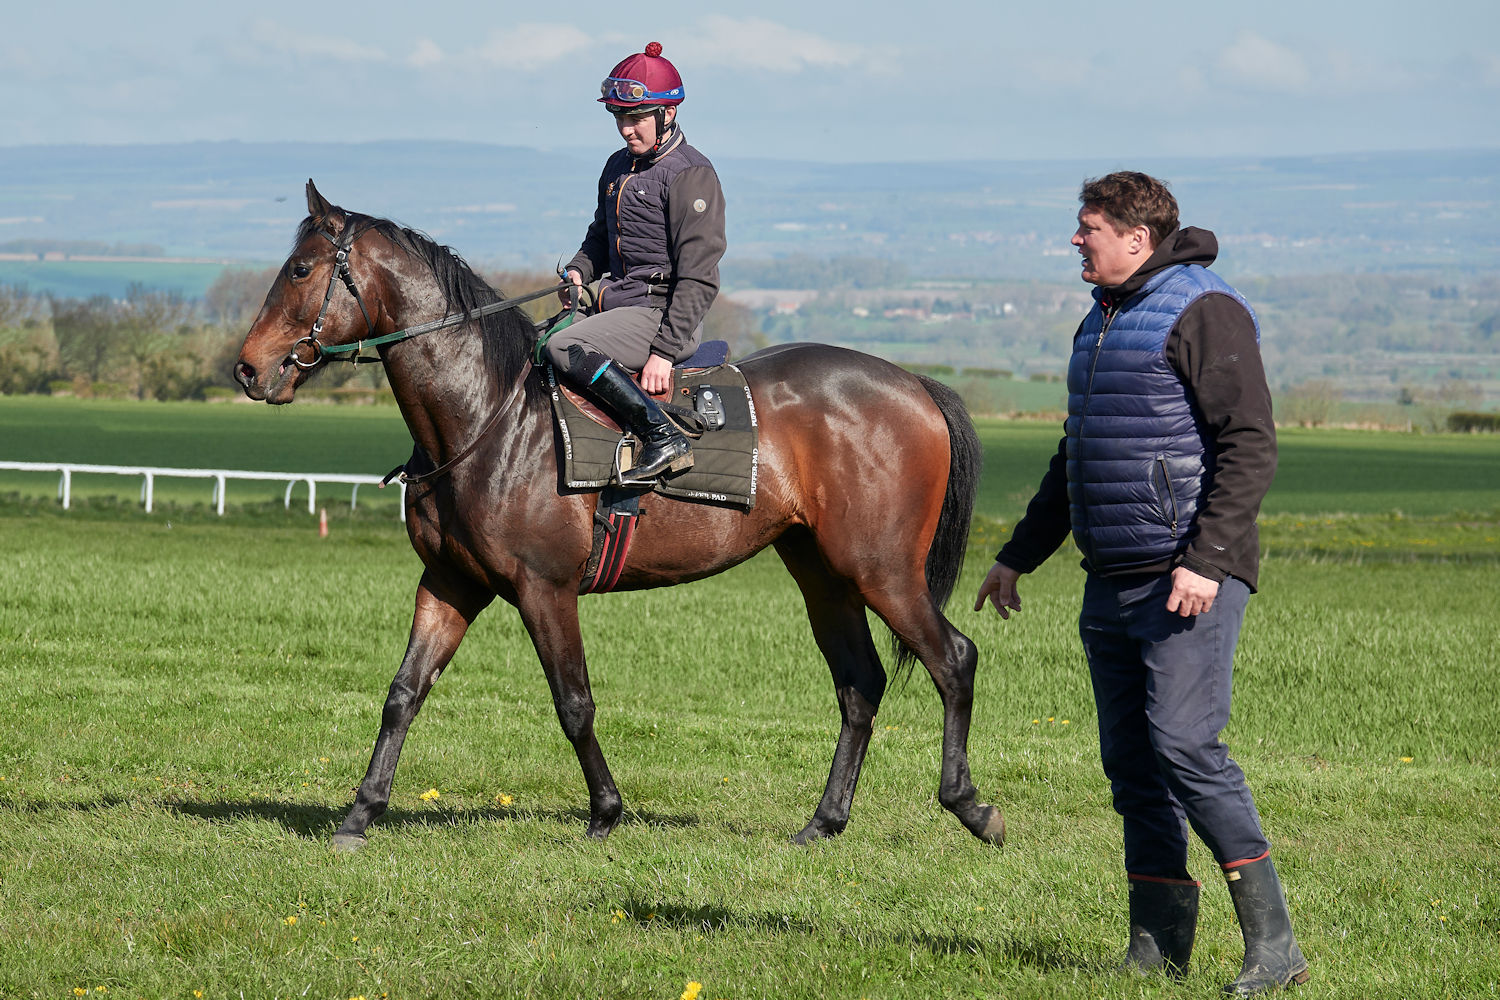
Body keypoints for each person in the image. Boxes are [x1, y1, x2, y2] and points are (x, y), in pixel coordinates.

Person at [973, 172, 1308, 995]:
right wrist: (1019, 553)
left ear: (1137, 237)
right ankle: (1158, 944)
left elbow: (1250, 443)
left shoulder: (1203, 308)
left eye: (1087, 228)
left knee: (1187, 747)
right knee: (1132, 764)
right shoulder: (1105, 318)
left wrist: (1208, 558)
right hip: (1110, 577)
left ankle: (1276, 946)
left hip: (1184, 575)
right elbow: (1077, 453)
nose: (1075, 242)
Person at [547, 41, 726, 485]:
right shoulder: (617, 166)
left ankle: (663, 436)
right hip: (617, 306)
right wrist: (578, 271)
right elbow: (600, 239)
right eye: (619, 118)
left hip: (662, 318)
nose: (626, 129)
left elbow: (700, 278)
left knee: (564, 348)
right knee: (528, 344)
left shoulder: (691, 174)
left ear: (667, 115)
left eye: (636, 117)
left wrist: (664, 352)